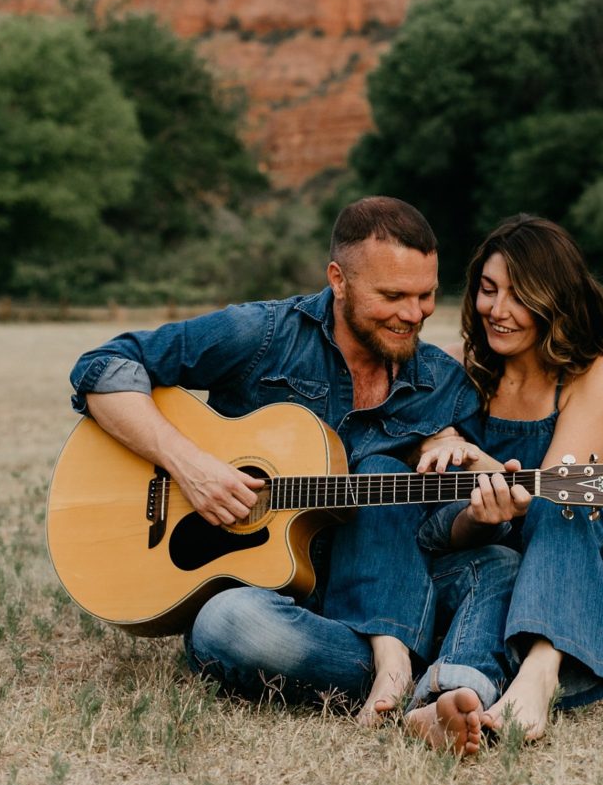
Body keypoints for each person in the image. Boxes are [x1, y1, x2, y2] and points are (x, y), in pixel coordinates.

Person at [68, 197, 518, 723]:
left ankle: (432, 684)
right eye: (393, 296)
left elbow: (439, 530)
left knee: (496, 564)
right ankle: (426, 675)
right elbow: (103, 365)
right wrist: (190, 466)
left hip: (386, 579)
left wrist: (480, 511)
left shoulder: (443, 386)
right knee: (227, 623)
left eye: (426, 295)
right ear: (339, 280)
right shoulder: (262, 335)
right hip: (274, 597)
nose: (413, 314)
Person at [404, 214, 603, 754]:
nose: (498, 309)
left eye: (518, 295)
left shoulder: (594, 372)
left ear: (554, 300)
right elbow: (437, 524)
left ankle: (540, 671)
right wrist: (439, 445)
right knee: (495, 560)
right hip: (480, 574)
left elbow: (557, 503)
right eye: (488, 289)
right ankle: (461, 700)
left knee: (566, 498)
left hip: (570, 586)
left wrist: (477, 461)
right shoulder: (458, 372)